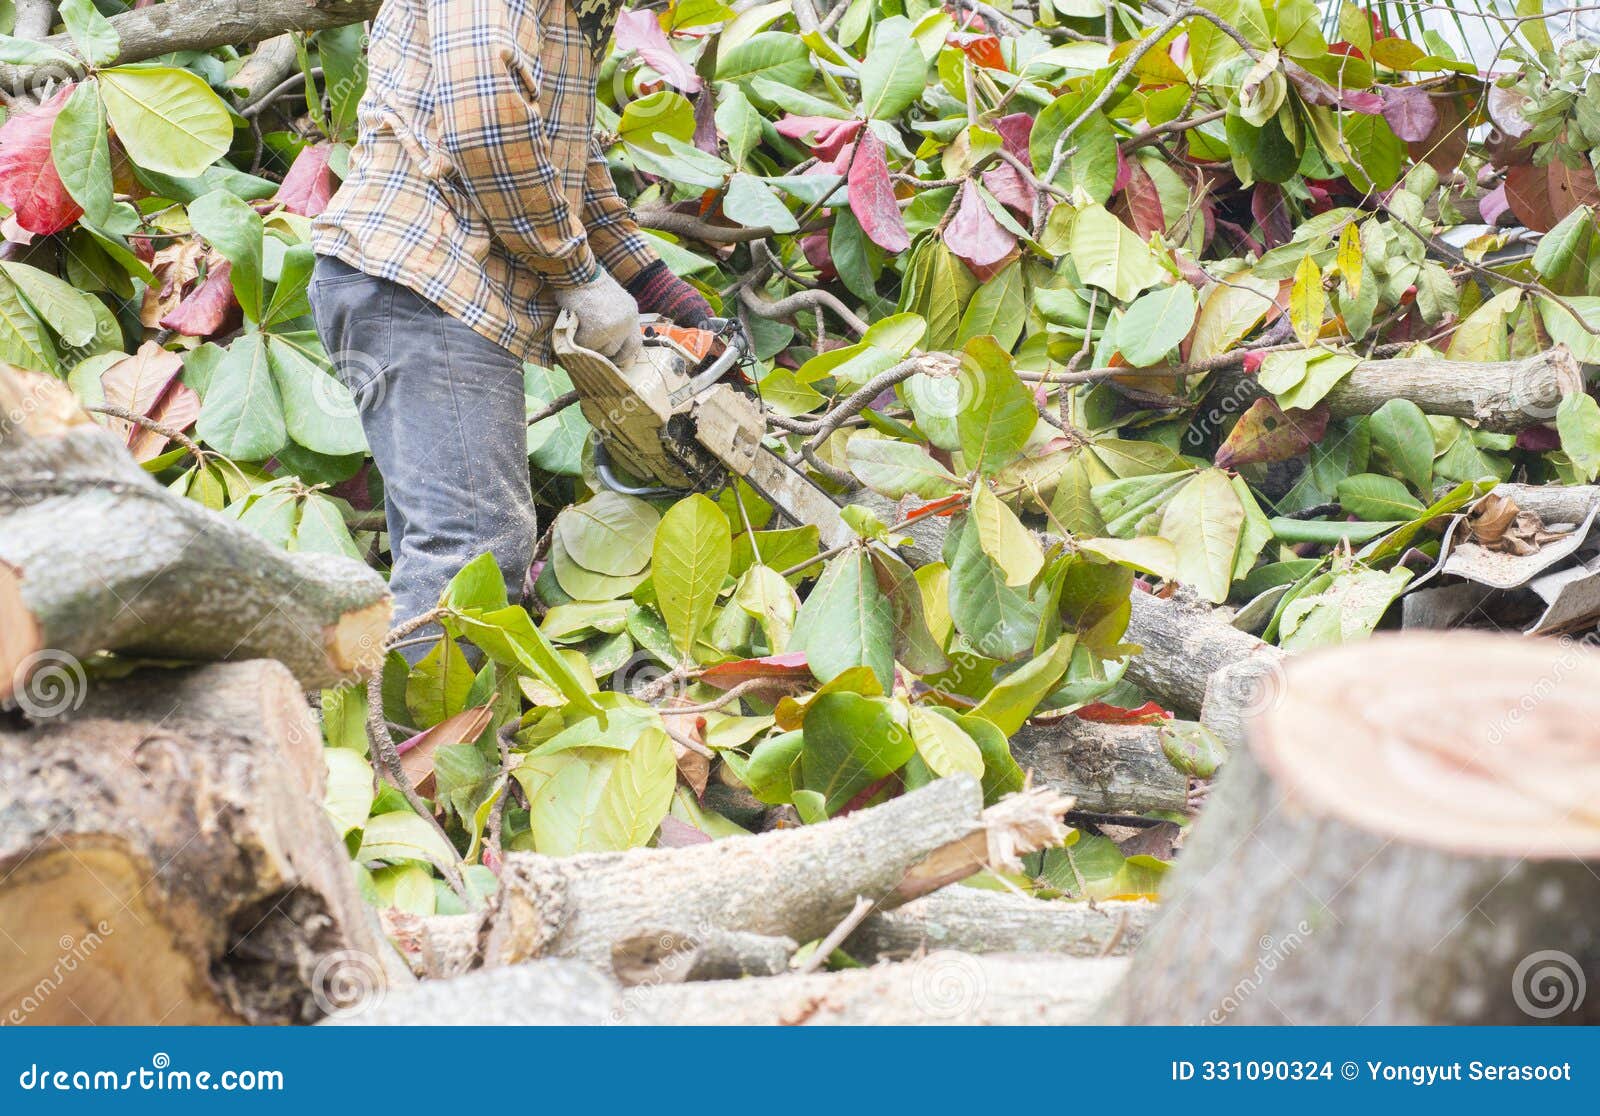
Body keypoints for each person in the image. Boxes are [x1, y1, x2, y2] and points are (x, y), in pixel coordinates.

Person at [309, 0, 712, 652]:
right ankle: (419, 751)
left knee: (447, 544)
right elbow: (485, 123)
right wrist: (576, 274)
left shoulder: (580, 13)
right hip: (424, 275)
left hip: (420, 284)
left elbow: (569, 173)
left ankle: (420, 733)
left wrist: (668, 297)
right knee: (470, 550)